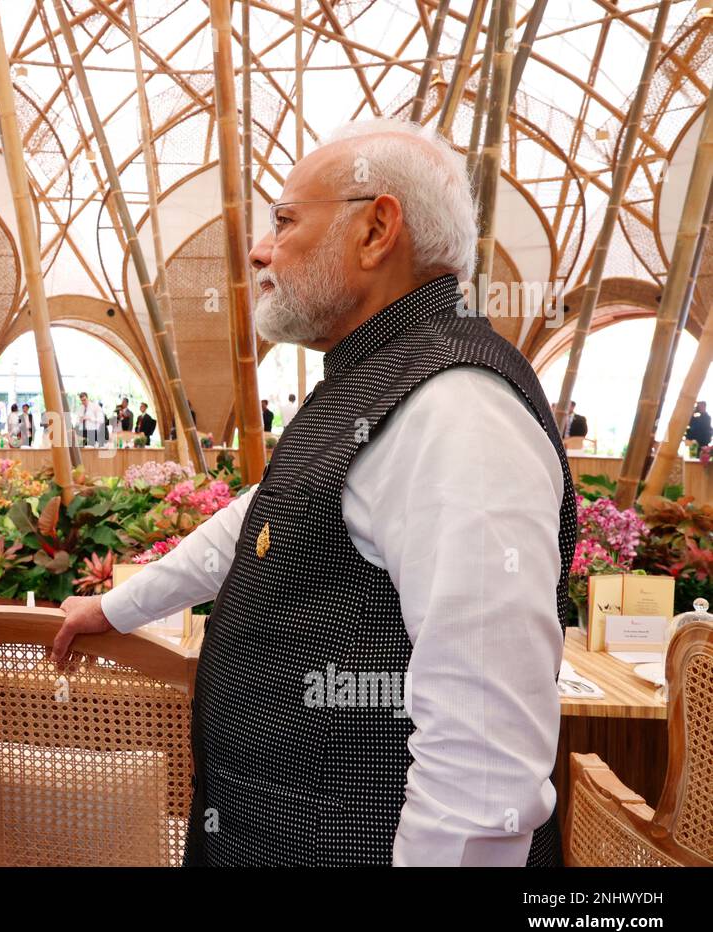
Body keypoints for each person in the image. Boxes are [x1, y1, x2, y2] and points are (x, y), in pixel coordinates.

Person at [52, 118, 571, 867]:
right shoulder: (380, 375)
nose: (262, 250)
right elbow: (264, 516)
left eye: (286, 222)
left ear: (375, 230)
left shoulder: (457, 405)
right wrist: (116, 606)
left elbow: (484, 744)